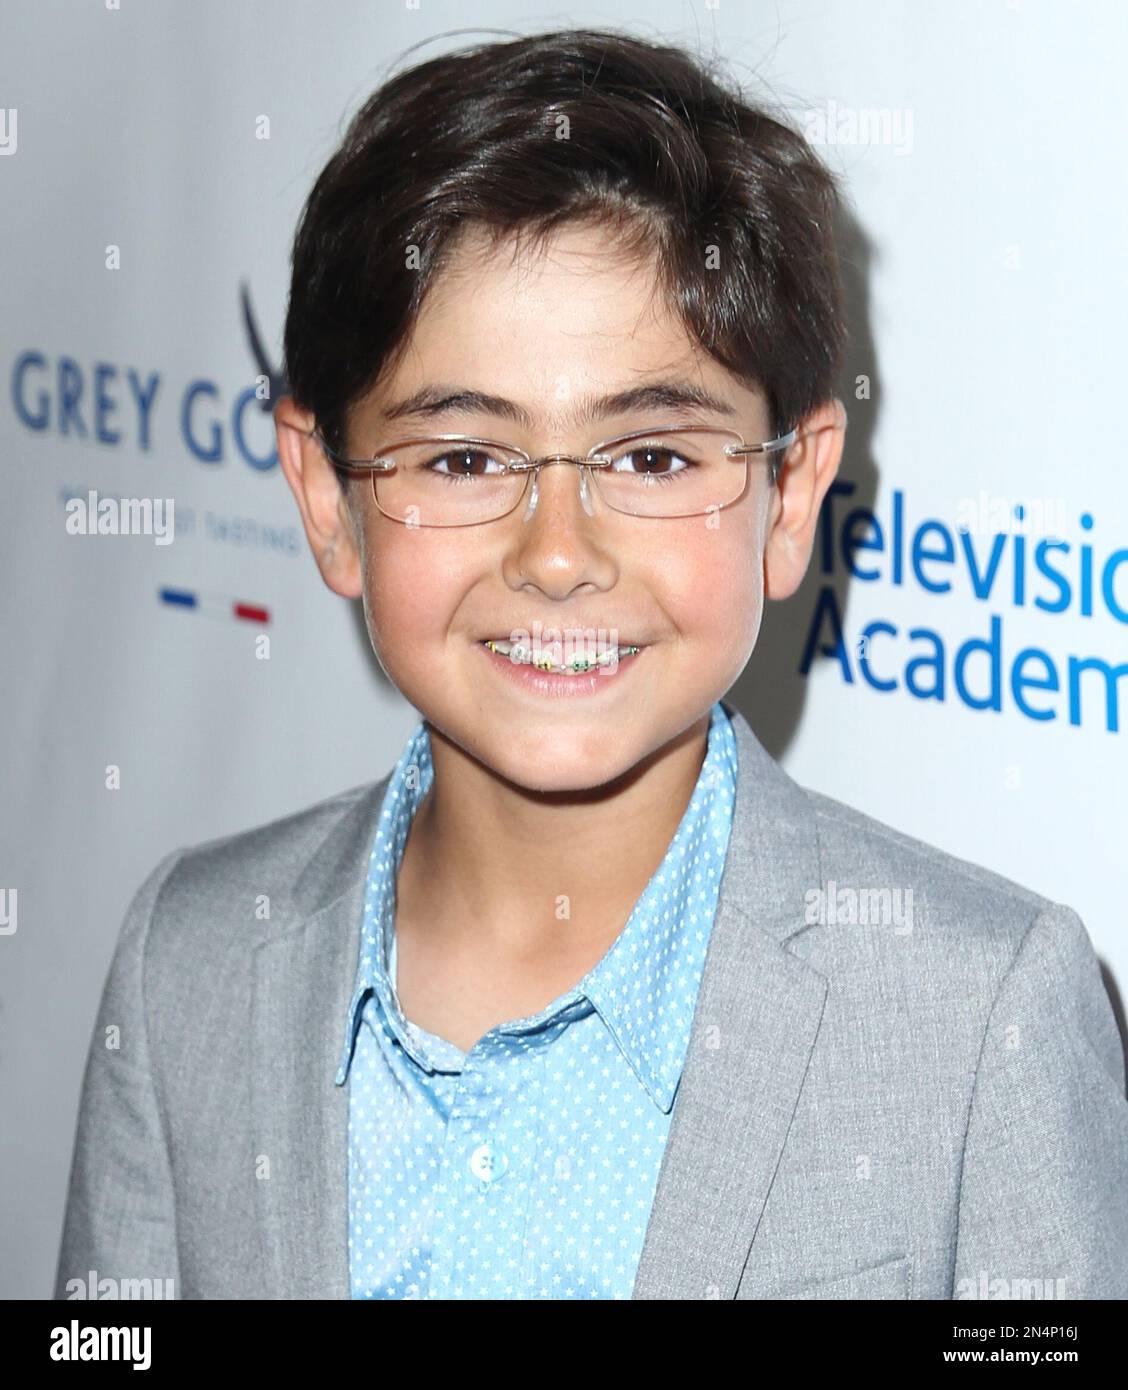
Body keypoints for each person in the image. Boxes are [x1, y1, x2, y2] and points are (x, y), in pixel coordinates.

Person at [55, 27, 1128, 1301]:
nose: (557, 555)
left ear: (789, 496)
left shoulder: (982, 1010)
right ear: (327, 496)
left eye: (654, 459)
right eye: (461, 459)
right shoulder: (188, 957)